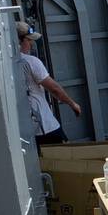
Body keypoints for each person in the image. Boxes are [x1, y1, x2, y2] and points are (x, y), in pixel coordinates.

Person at [17, 21, 82, 149]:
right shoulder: (31, 61)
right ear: (21, 40)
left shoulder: (8, 64)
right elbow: (54, 89)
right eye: (29, 40)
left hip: (24, 128)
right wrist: (72, 103)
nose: (31, 44)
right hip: (44, 124)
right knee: (67, 155)